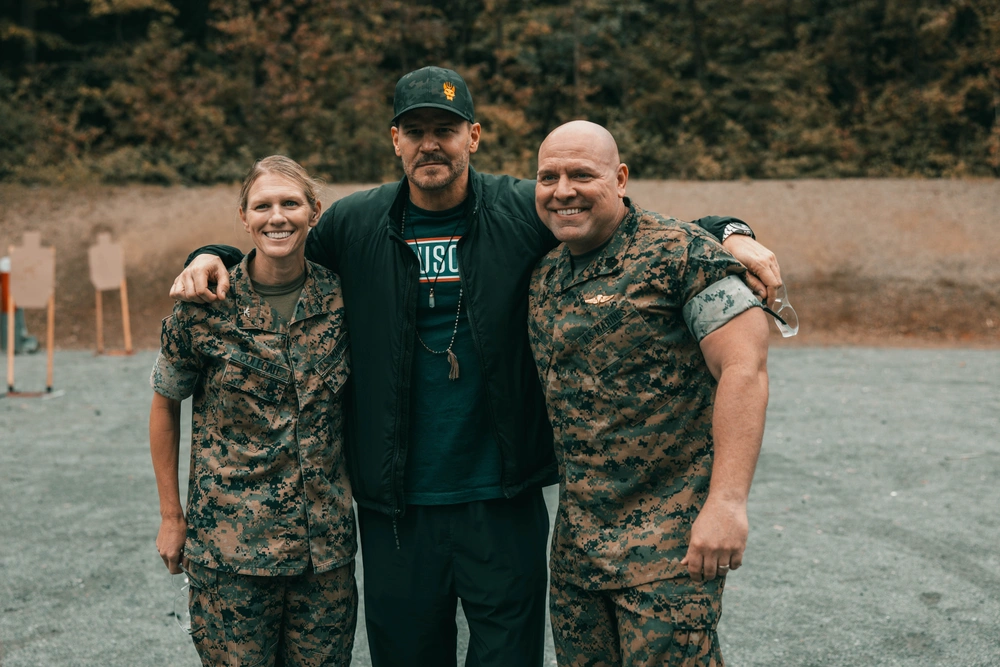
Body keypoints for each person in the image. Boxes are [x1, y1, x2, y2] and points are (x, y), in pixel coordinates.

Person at [169, 67, 782, 667]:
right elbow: (278, 246)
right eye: (415, 131)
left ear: (474, 136)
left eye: (446, 129)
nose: (430, 144)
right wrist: (210, 252)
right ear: (396, 140)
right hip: (396, 509)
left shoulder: (526, 208)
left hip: (502, 499)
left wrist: (729, 232)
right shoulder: (355, 224)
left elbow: (625, 224)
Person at [526, 120, 770, 666]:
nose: (563, 190)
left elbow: (744, 369)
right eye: (548, 177)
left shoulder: (683, 256)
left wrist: (727, 503)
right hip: (577, 558)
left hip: (670, 554)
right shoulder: (544, 275)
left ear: (620, 178)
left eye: (581, 175)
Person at [149, 156, 356, 667]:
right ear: (244, 217)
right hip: (231, 555)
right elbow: (165, 405)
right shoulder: (205, 305)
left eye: (291, 203)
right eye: (262, 206)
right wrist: (172, 517)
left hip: (324, 556)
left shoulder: (343, 299)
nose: (277, 217)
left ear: (314, 211)